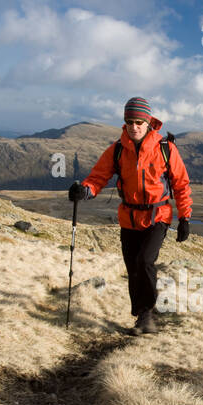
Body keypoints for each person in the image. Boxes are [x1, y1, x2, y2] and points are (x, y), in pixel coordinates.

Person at [68, 96, 192, 334]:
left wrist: (185, 217)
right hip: (128, 217)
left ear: (148, 123)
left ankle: (147, 315)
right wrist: (84, 191)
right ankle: (139, 315)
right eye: (129, 122)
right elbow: (98, 177)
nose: (133, 126)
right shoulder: (117, 150)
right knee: (132, 268)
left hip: (158, 216)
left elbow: (181, 184)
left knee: (145, 261)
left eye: (138, 122)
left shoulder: (165, 149)